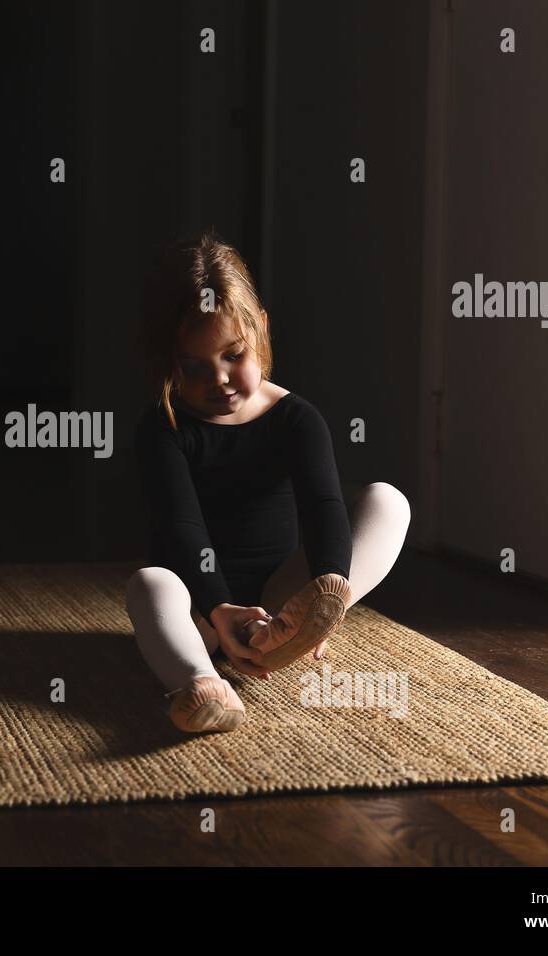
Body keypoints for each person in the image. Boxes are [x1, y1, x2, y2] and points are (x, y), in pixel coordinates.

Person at [126, 230, 411, 734]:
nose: (218, 379)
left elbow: (323, 506)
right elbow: (180, 526)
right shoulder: (164, 428)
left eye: (233, 355)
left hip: (283, 596)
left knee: (387, 503)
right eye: (195, 366)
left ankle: (320, 608)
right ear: (167, 363)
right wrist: (217, 607)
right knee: (150, 584)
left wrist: (325, 582)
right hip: (199, 602)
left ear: (259, 331)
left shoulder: (295, 419)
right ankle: (200, 681)